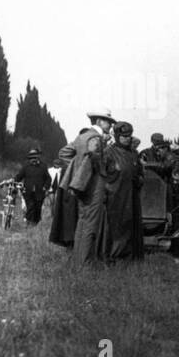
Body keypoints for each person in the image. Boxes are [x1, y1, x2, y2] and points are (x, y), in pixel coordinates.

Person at [64, 108, 115, 265]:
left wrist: (79, 174)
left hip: (82, 186)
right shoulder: (96, 138)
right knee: (91, 225)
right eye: (108, 122)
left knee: (82, 222)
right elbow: (94, 156)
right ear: (99, 121)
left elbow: (64, 153)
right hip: (95, 186)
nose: (110, 126)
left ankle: (77, 261)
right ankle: (85, 265)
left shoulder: (82, 137)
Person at [103, 122, 145, 261]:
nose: (127, 138)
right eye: (124, 136)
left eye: (129, 136)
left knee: (131, 226)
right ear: (116, 136)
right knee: (116, 228)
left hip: (132, 197)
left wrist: (139, 179)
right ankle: (113, 258)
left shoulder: (134, 153)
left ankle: (130, 258)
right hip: (114, 198)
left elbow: (140, 173)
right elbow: (101, 176)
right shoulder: (108, 153)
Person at [13, 148, 51, 225]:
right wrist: (13, 180)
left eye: (34, 158)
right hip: (28, 191)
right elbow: (19, 176)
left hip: (40, 192)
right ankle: (29, 223)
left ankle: (35, 223)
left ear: (38, 158)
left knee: (38, 208)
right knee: (30, 207)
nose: (33, 159)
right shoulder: (26, 166)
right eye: (31, 158)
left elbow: (48, 179)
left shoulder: (43, 166)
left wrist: (45, 187)